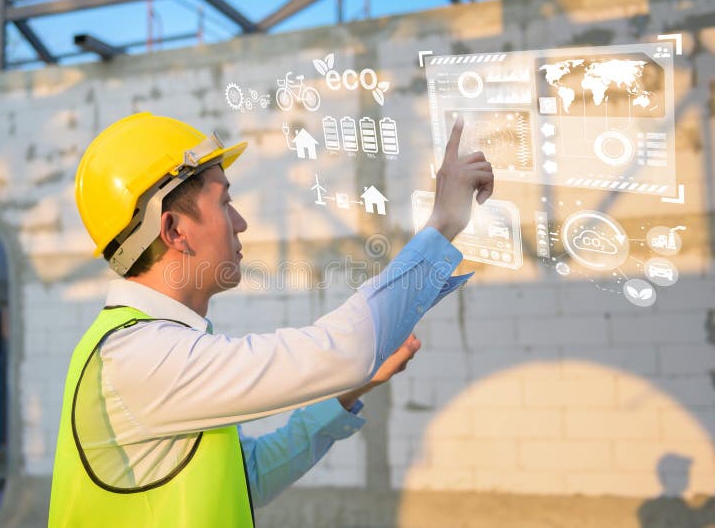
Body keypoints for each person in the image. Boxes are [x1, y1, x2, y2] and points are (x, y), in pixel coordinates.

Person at [48, 112, 493, 527]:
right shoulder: (138, 356)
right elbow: (347, 347)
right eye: (225, 203)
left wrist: (354, 385)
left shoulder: (150, 349)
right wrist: (445, 221)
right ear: (174, 230)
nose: (240, 223)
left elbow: (251, 477)